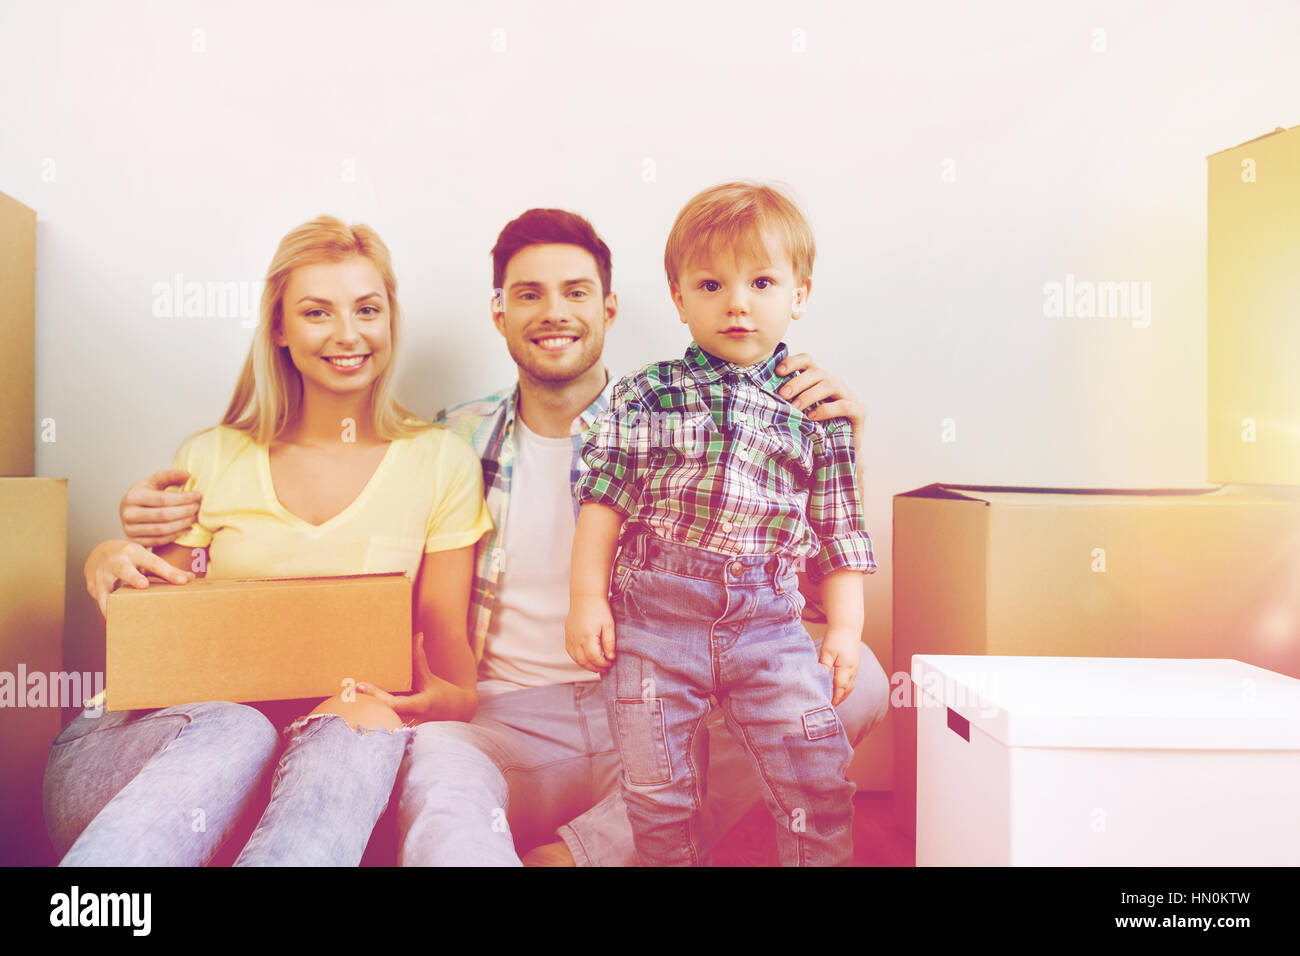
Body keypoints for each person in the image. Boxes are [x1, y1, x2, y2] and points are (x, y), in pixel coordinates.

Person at [120, 206, 889, 867]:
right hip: (504, 719)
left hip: (661, 706)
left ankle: (581, 852)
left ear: (611, 309)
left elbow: (812, 593)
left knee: (860, 685)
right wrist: (123, 542)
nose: (553, 311)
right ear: (499, 311)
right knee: (441, 790)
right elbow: (298, 533)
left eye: (576, 292)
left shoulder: (694, 424)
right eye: (529, 294)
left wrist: (833, 442)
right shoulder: (448, 441)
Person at [46, 215, 491, 866]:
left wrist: (452, 698)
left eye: (367, 309)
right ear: (279, 328)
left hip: (321, 750)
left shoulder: (440, 462)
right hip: (151, 757)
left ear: (389, 320)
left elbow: (444, 638)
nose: (348, 334)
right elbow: (157, 638)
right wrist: (109, 561)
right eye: (317, 312)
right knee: (237, 725)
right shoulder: (214, 456)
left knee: (362, 724)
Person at [567, 182, 872, 865]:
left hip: (768, 622)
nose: (737, 301)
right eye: (711, 284)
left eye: (761, 281)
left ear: (800, 294)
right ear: (679, 297)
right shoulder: (647, 392)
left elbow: (840, 527)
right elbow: (604, 500)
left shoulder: (816, 408)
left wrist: (847, 629)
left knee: (816, 770)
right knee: (655, 788)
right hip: (655, 617)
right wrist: (586, 597)